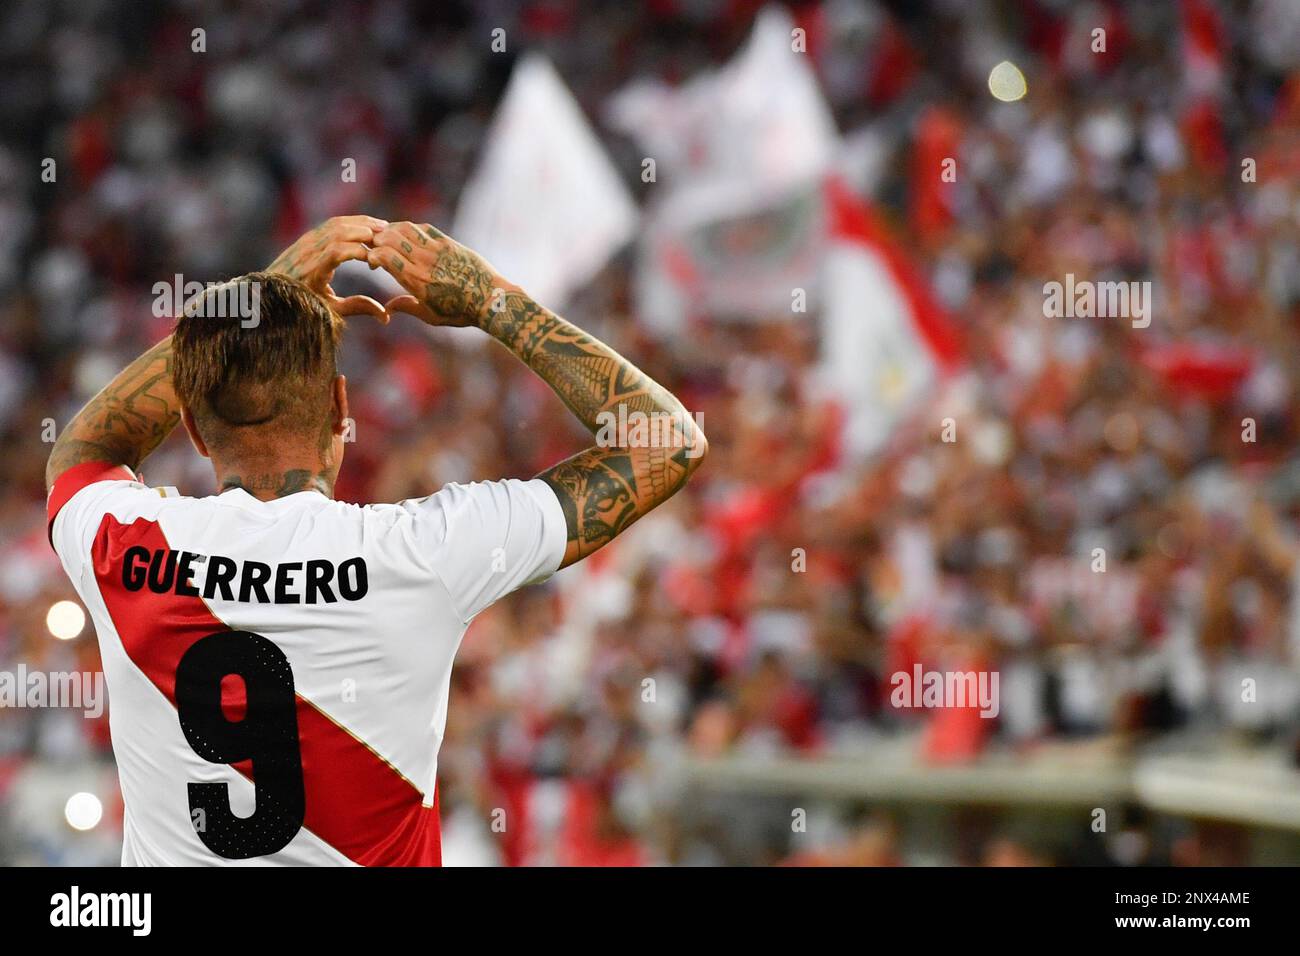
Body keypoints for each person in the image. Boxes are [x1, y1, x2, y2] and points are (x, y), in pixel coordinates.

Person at [43, 215, 707, 866]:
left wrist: (256, 301)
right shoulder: (421, 552)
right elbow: (667, 441)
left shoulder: (125, 550)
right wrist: (491, 300)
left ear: (189, 426)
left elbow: (86, 448)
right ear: (340, 406)